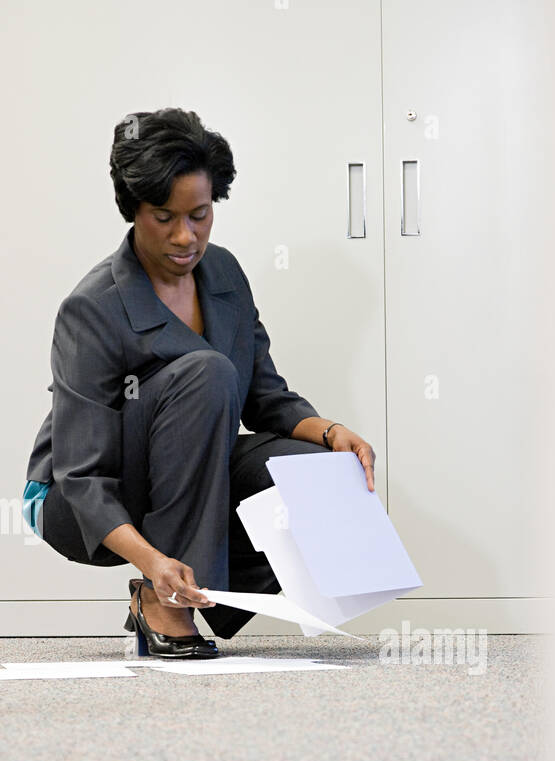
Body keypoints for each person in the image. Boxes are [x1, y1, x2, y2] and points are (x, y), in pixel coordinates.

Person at [23, 107, 376, 658]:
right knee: (206, 372)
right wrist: (150, 556)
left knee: (307, 471)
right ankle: (168, 600)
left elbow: (263, 396)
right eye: (164, 217)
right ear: (133, 211)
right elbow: (81, 472)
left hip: (182, 472)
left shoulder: (225, 275)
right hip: (76, 495)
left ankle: (177, 588)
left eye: (201, 214)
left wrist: (332, 435)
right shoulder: (91, 308)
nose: (186, 236)